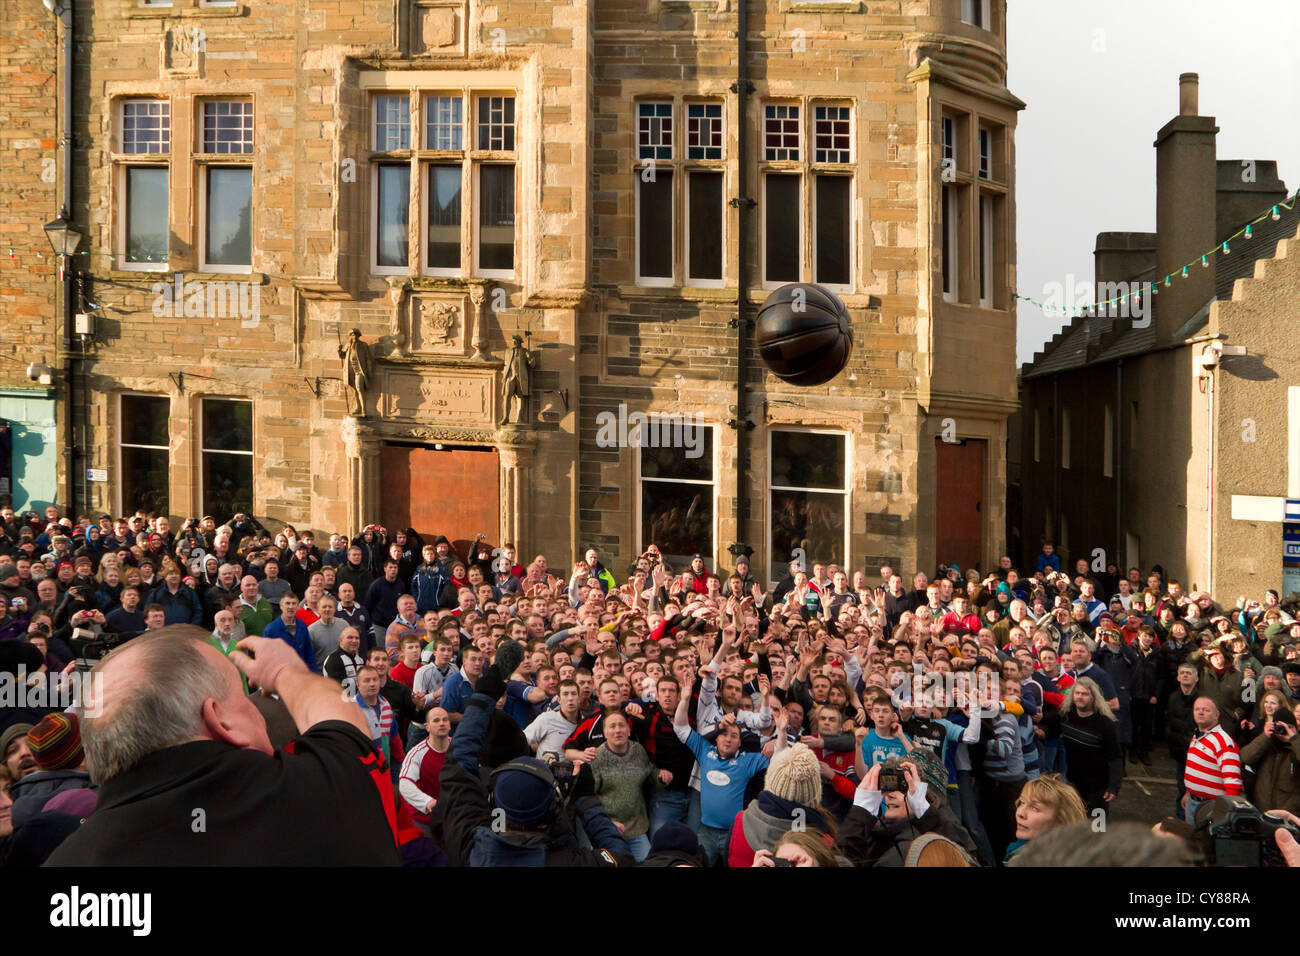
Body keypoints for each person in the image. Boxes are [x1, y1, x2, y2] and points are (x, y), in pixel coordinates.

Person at [46, 625, 402, 865]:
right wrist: (284, 673)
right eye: (243, 698)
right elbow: (342, 722)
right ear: (222, 720)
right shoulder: (312, 793)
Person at [437, 662, 632, 866]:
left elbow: (457, 768)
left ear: (495, 801)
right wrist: (587, 800)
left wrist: (481, 700)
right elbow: (621, 859)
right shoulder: (568, 860)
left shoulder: (472, 850)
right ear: (551, 810)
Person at [673, 674, 770, 866]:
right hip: (705, 832)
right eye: (723, 734)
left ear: (740, 742)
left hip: (734, 834)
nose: (728, 739)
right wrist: (684, 699)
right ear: (716, 737)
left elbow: (779, 759)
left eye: (734, 736)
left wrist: (781, 734)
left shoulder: (748, 761)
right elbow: (680, 727)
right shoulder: (704, 750)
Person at [836, 759, 975, 867]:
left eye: (902, 788)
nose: (890, 795)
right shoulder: (871, 833)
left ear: (925, 796)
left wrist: (857, 817)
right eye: (888, 786)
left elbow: (959, 858)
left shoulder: (913, 845)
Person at [589, 709, 656, 861]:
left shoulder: (638, 751)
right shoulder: (596, 758)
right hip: (607, 831)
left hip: (636, 829)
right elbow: (589, 799)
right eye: (612, 726)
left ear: (629, 730)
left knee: (649, 863)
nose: (617, 730)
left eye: (621, 725)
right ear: (605, 733)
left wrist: (660, 776)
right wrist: (607, 823)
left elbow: (649, 775)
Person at [1059, 676, 1122, 815]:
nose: (1080, 697)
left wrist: (1113, 787)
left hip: (1098, 788)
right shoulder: (1066, 716)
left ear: (1093, 697)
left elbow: (1115, 757)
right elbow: (1050, 729)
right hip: (1073, 785)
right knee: (1075, 826)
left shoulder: (1105, 723)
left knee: (1097, 830)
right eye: (1077, 693)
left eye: (1085, 694)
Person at [1181, 696, 1243, 824]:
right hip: (1192, 802)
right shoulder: (1197, 736)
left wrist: (1226, 811)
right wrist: (1189, 793)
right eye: (1197, 709)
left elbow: (1232, 781)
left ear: (1216, 715)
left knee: (1205, 843)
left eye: (1206, 710)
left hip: (1211, 806)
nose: (1200, 712)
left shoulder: (1224, 742)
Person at [1240, 690, 1300, 815]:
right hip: (1262, 809)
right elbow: (1246, 757)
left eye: (1287, 727)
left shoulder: (1295, 745)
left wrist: (1293, 738)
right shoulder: (1267, 743)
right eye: (1277, 726)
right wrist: (1264, 736)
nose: (1282, 730)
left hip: (1288, 813)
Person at [1004, 773, 1088, 861]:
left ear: (1060, 821)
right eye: (1022, 802)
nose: (1020, 813)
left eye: (1035, 808)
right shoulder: (1018, 850)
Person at [399, 707, 451, 830]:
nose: (442, 723)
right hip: (425, 821)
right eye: (436, 720)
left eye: (445, 720)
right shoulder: (416, 754)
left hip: (453, 819)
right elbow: (405, 784)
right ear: (427, 727)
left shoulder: (460, 749)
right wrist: (428, 802)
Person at [263, 592, 316, 673]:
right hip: (280, 677)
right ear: (281, 606)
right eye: (287, 603)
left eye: (294, 603)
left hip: (300, 675)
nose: (291, 607)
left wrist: (312, 674)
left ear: (298, 606)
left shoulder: (302, 626)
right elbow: (265, 658)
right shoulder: (271, 629)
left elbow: (308, 652)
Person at [322, 626, 366, 696]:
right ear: (341, 640)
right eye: (350, 637)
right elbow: (339, 688)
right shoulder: (333, 660)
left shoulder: (360, 660)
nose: (354, 641)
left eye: (357, 638)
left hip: (359, 701)